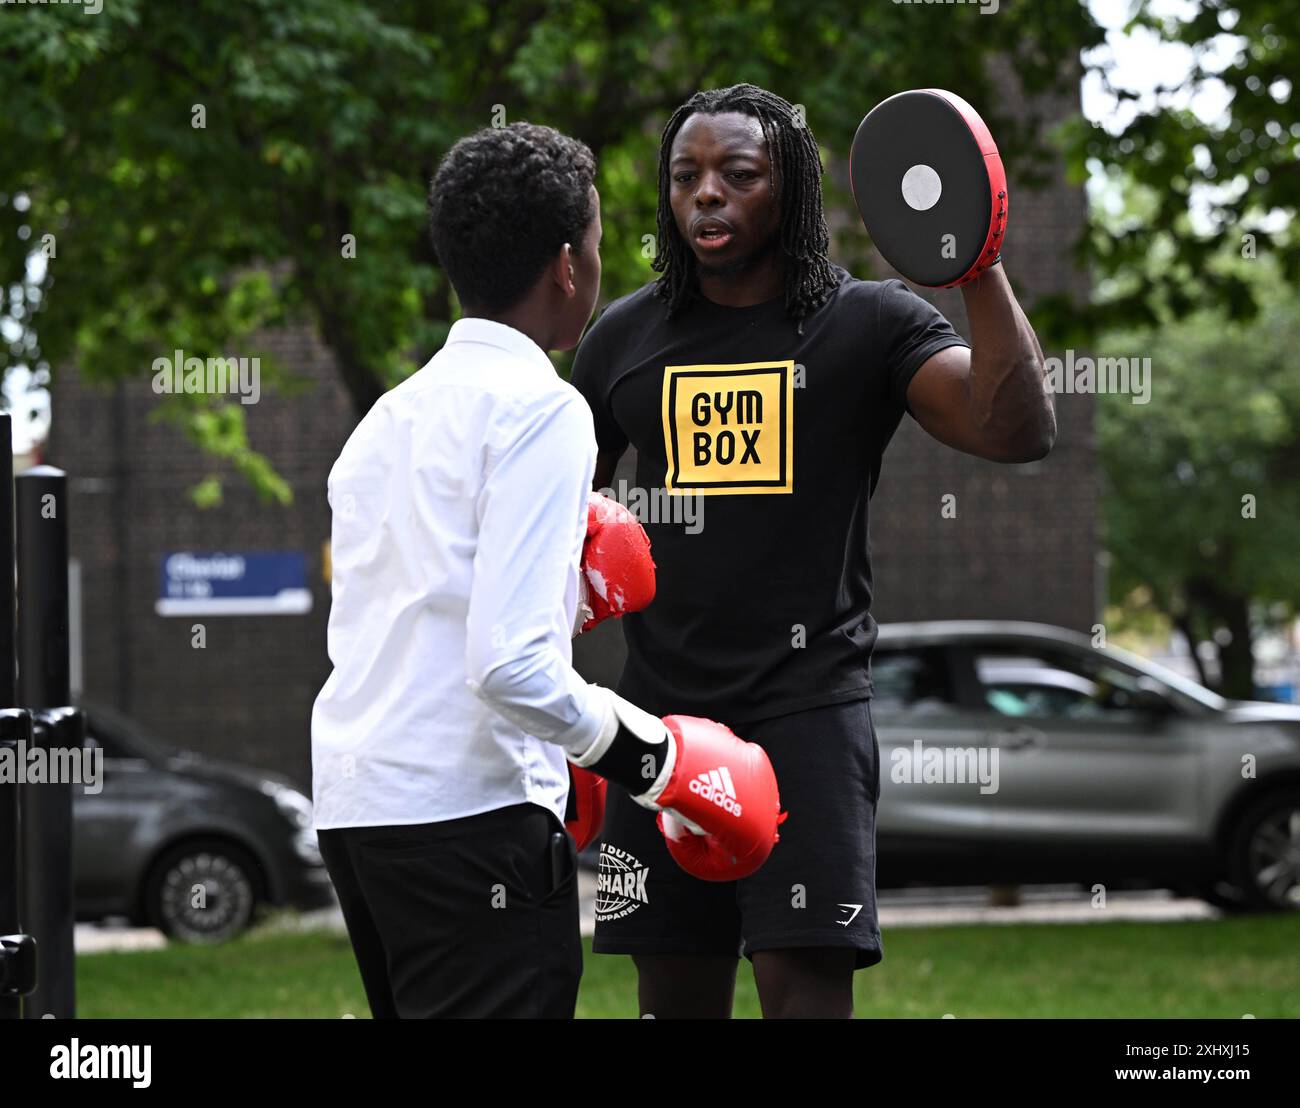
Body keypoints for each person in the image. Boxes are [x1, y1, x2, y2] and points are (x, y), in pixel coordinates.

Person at [570, 84, 1054, 1019]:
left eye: (737, 175)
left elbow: (1015, 429)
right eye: (686, 177)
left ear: (788, 187)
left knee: (804, 999)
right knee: (671, 1001)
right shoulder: (623, 337)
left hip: (806, 714)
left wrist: (973, 263)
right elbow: (547, 519)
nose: (705, 194)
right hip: (656, 724)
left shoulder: (867, 322)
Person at [310, 121, 781, 1020]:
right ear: (568, 266)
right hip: (470, 820)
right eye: (600, 245)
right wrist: (662, 761)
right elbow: (507, 665)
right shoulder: (542, 408)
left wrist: (564, 598)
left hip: (359, 813)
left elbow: (426, 625)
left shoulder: (383, 422)